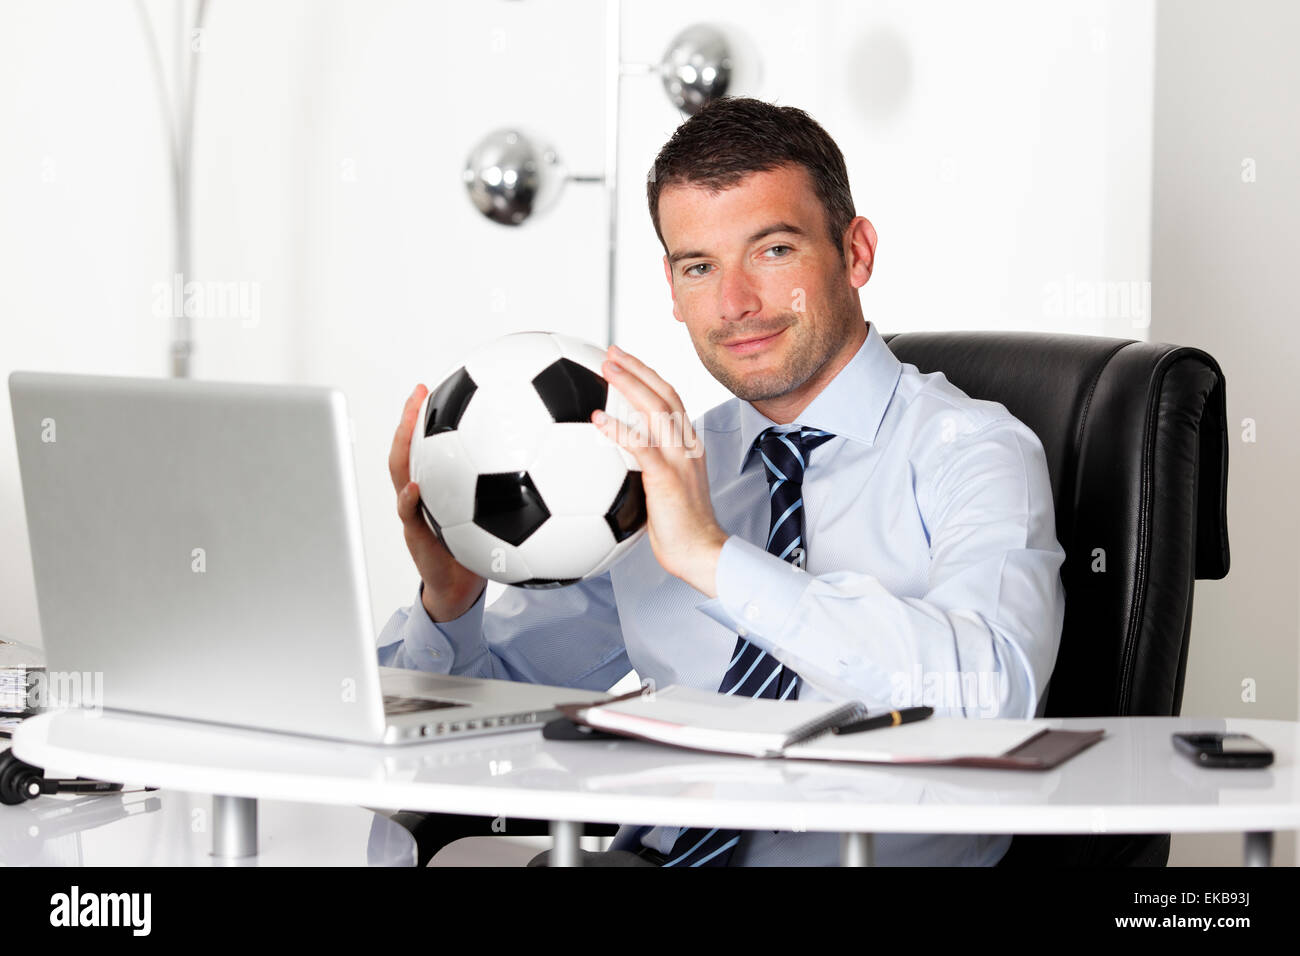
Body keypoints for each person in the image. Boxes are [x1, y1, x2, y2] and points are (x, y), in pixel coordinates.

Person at [377, 96, 1065, 866]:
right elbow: (481, 707)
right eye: (699, 267)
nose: (735, 304)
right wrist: (451, 600)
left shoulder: (972, 450)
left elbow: (993, 694)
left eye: (773, 251)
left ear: (856, 252)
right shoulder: (645, 471)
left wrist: (712, 557)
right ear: (671, 290)